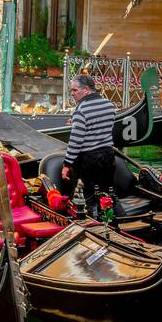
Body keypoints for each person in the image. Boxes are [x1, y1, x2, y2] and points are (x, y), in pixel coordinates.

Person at [60, 74, 118, 218]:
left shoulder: (81, 111)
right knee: (106, 194)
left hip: (89, 161)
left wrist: (67, 164)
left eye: (74, 90)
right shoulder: (109, 105)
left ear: (86, 90)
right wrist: (77, 122)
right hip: (108, 156)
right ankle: (109, 220)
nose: (72, 94)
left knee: (88, 199)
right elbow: (101, 126)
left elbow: (75, 142)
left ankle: (92, 223)